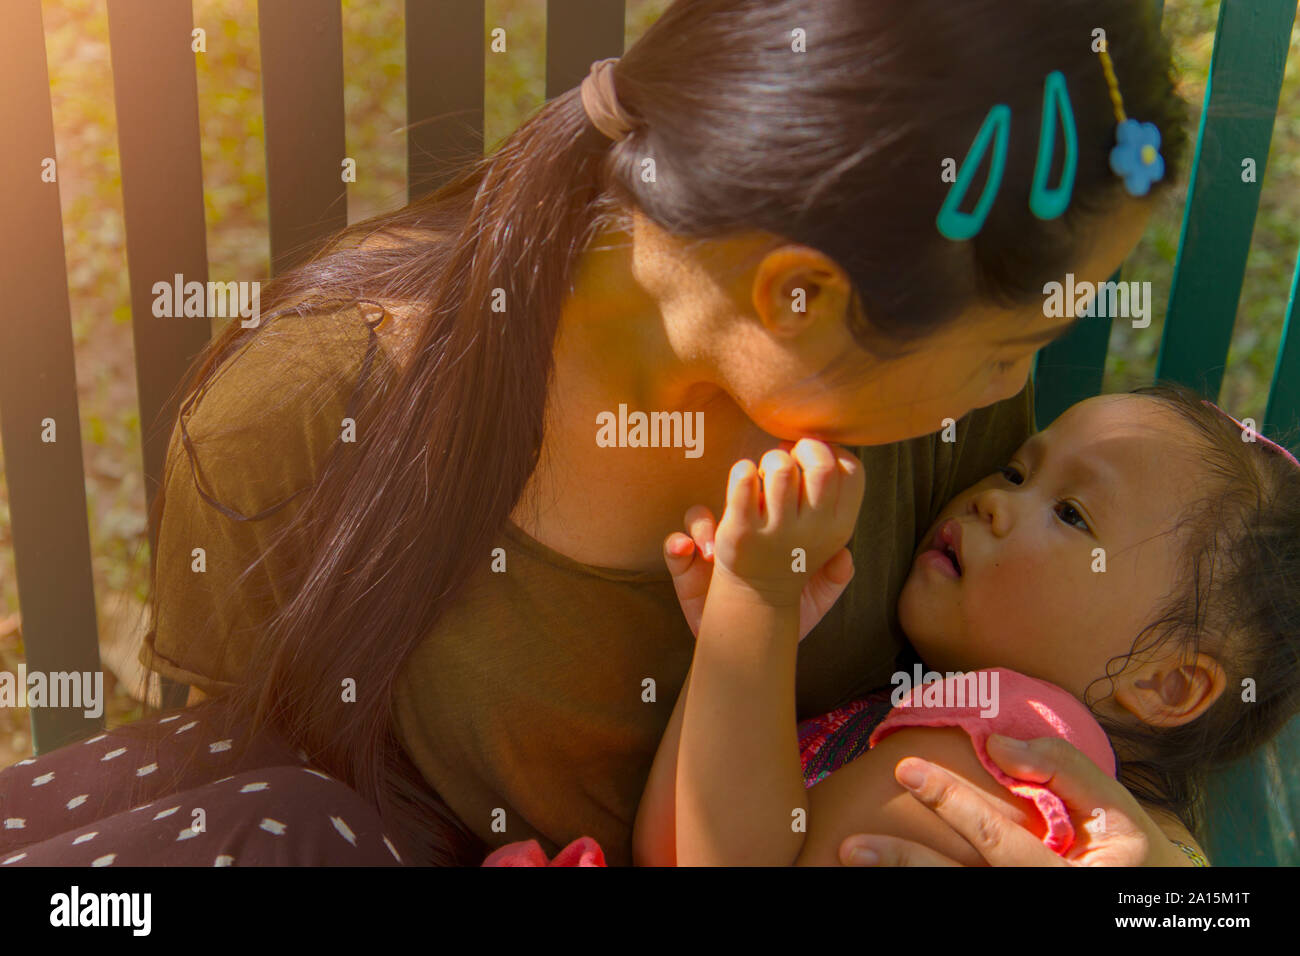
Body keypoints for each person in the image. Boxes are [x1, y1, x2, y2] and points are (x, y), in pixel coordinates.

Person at [1, 0, 1202, 867]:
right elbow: (219, 785)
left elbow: (1074, 701)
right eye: (1012, 346)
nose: (1015, 390)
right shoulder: (304, 421)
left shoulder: (943, 423)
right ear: (799, 297)